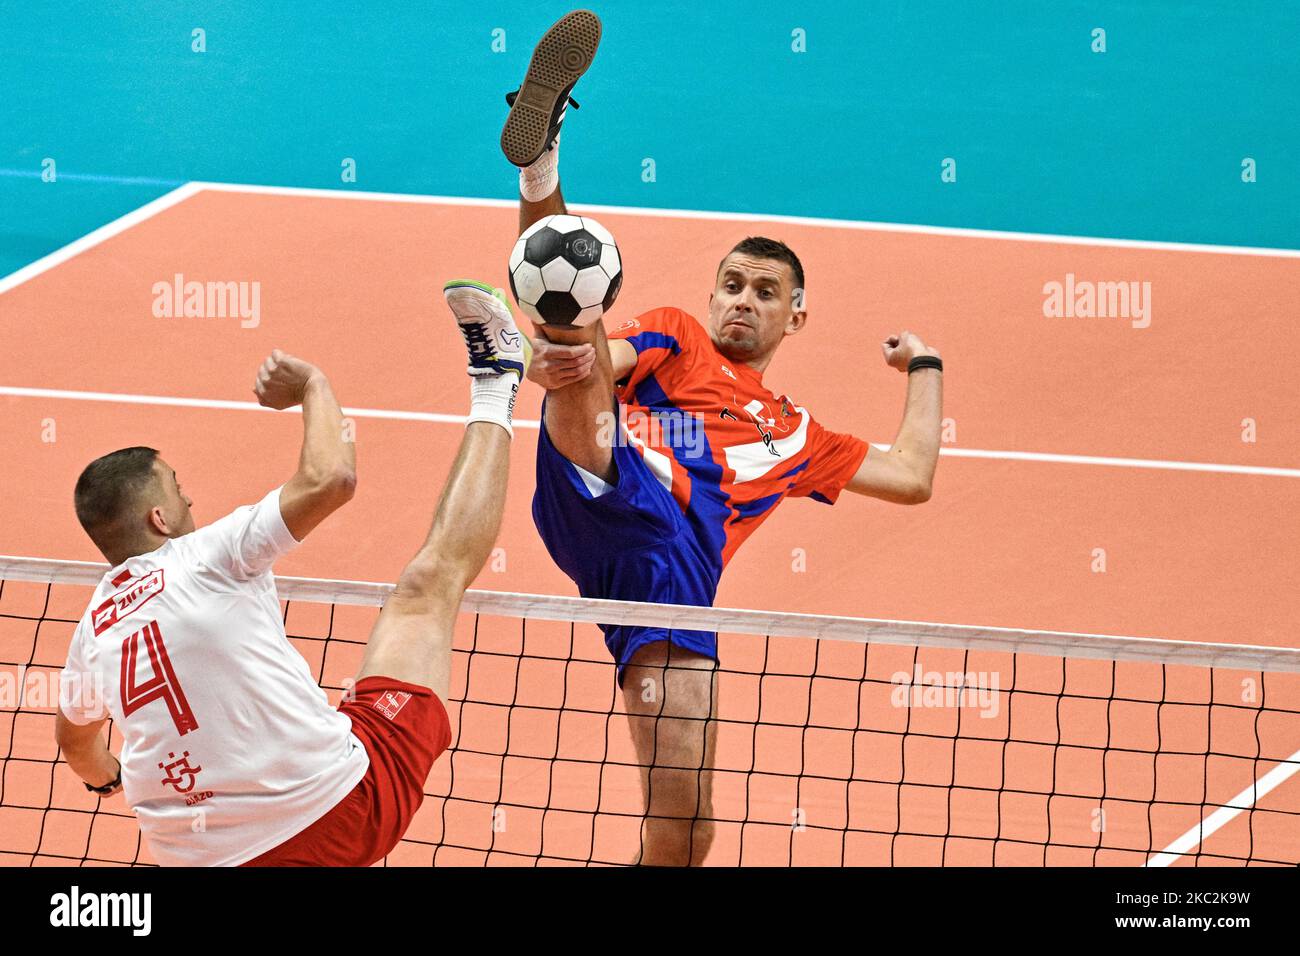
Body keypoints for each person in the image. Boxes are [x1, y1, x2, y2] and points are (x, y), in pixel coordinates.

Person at [502, 11, 945, 866]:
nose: (742, 299)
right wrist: (562, 359)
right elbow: (604, 355)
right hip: (616, 482)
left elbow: (913, 474)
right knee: (575, 349)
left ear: (796, 314)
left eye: (765, 291)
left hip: (673, 592)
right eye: (732, 284)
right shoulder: (680, 335)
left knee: (687, 834)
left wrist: (926, 365)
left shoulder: (801, 435)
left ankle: (549, 318)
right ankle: (540, 165)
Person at [55, 280, 530, 866]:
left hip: (201, 861)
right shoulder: (207, 554)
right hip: (335, 814)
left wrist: (109, 782)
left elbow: (75, 743)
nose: (190, 499)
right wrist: (313, 385)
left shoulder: (93, 628)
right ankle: (499, 379)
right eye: (178, 491)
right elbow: (332, 479)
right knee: (427, 587)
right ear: (159, 518)